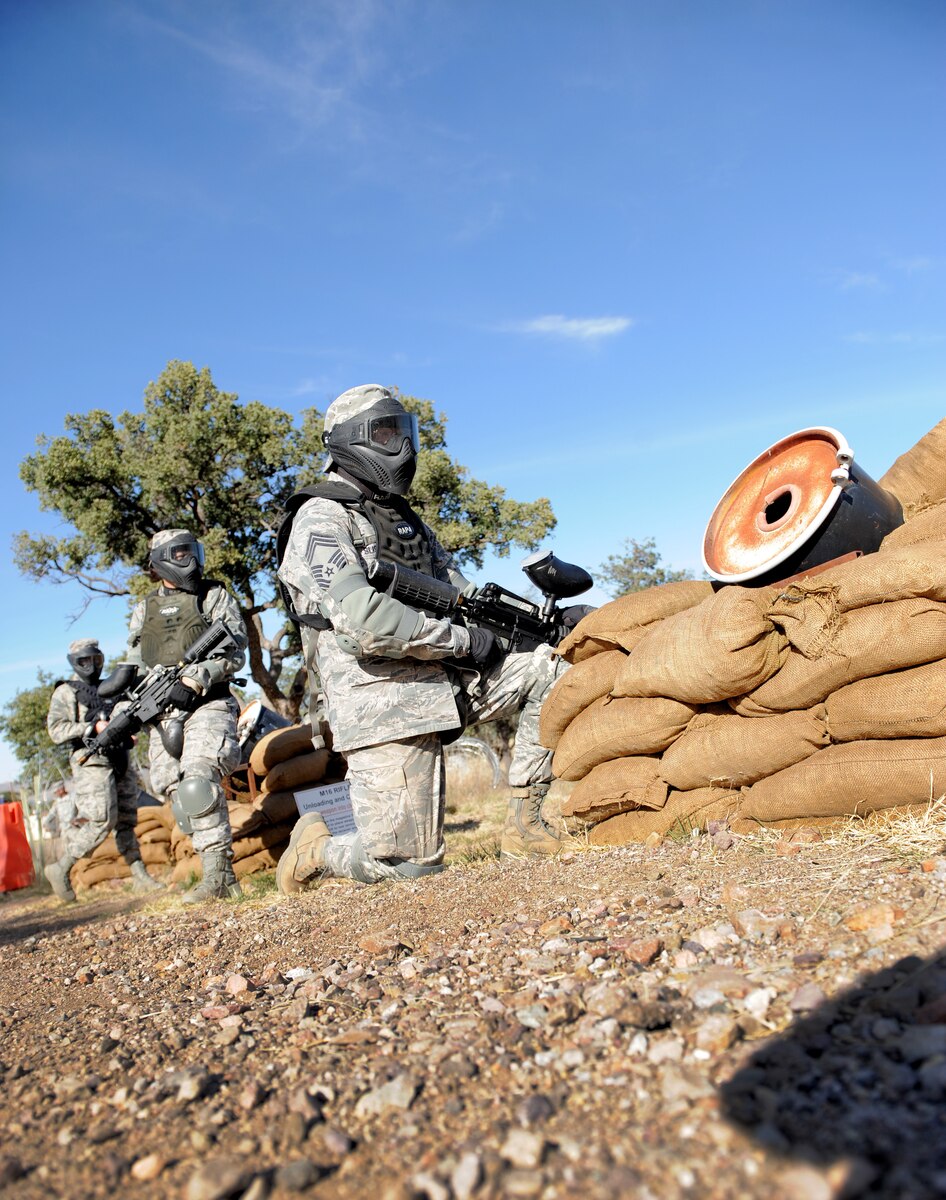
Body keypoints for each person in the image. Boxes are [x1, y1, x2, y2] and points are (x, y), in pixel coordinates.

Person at [275, 384, 571, 894]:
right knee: (410, 867)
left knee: (549, 668)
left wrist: (520, 623)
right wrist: (463, 643)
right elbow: (363, 621)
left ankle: (528, 820)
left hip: (447, 680)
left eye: (404, 432)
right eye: (386, 434)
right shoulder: (320, 518)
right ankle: (317, 850)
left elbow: (458, 591)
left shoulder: (403, 519)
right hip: (381, 700)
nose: (403, 448)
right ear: (349, 441)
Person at [125, 529, 247, 903]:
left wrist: (196, 677)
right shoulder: (143, 609)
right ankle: (212, 869)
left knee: (198, 782)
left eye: (191, 551)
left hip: (207, 702)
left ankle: (220, 877)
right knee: (179, 798)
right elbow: (133, 664)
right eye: (178, 553)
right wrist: (126, 714)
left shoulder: (213, 595)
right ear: (159, 559)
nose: (188, 560)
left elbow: (235, 648)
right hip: (161, 713)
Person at [44, 638, 161, 902]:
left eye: (96, 660)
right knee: (101, 820)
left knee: (127, 818)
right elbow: (55, 730)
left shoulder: (109, 687)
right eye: (85, 661)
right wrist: (89, 729)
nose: (92, 666)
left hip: (120, 758)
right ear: (74, 661)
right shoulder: (67, 692)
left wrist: (127, 734)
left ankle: (139, 874)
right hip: (91, 761)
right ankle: (62, 867)